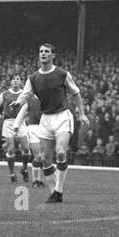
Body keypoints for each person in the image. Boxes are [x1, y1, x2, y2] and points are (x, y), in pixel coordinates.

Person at [13, 43, 87, 203]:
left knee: (60, 152)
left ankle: (59, 190)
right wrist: (18, 102)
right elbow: (25, 94)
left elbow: (76, 93)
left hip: (62, 116)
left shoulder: (62, 74)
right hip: (45, 119)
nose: (43, 54)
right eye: (41, 51)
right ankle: (55, 193)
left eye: (46, 51)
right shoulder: (33, 78)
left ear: (53, 55)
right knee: (45, 159)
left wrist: (81, 113)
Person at [0, 75, 29, 183]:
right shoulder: (5, 94)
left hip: (20, 122)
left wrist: (26, 115)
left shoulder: (24, 94)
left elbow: (30, 107)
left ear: (21, 82)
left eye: (18, 79)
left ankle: (24, 169)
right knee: (11, 148)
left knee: (26, 148)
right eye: (14, 79)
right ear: (11, 82)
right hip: (8, 122)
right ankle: (12, 173)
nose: (16, 81)